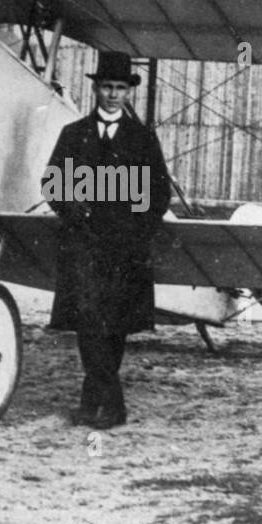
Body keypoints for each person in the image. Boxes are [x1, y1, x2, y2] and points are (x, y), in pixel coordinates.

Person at [43, 51, 172, 429]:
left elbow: (158, 193)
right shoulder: (73, 134)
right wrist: (71, 208)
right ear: (96, 89)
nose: (113, 95)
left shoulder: (143, 139)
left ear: (128, 92)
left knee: (113, 326)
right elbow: (52, 183)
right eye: (106, 87)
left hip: (124, 248)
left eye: (120, 88)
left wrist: (137, 229)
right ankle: (112, 404)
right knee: (88, 323)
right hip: (82, 245)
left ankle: (93, 401)